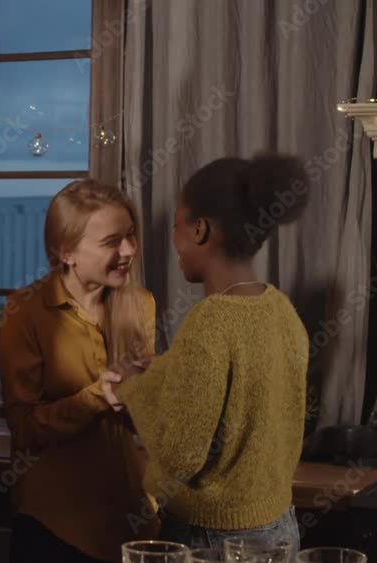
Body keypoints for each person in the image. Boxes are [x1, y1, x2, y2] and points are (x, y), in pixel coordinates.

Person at [111, 154, 310, 557]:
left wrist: (132, 391)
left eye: (176, 228)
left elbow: (181, 454)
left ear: (199, 230)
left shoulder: (210, 321)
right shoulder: (280, 309)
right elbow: (242, 381)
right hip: (279, 529)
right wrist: (164, 369)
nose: (175, 242)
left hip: (214, 539)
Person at [0, 180, 159, 562]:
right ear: (66, 252)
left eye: (131, 236)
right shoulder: (27, 312)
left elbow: (141, 426)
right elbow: (24, 427)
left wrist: (153, 391)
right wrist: (98, 396)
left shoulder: (141, 305)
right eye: (112, 242)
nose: (129, 251)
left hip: (129, 519)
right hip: (54, 529)